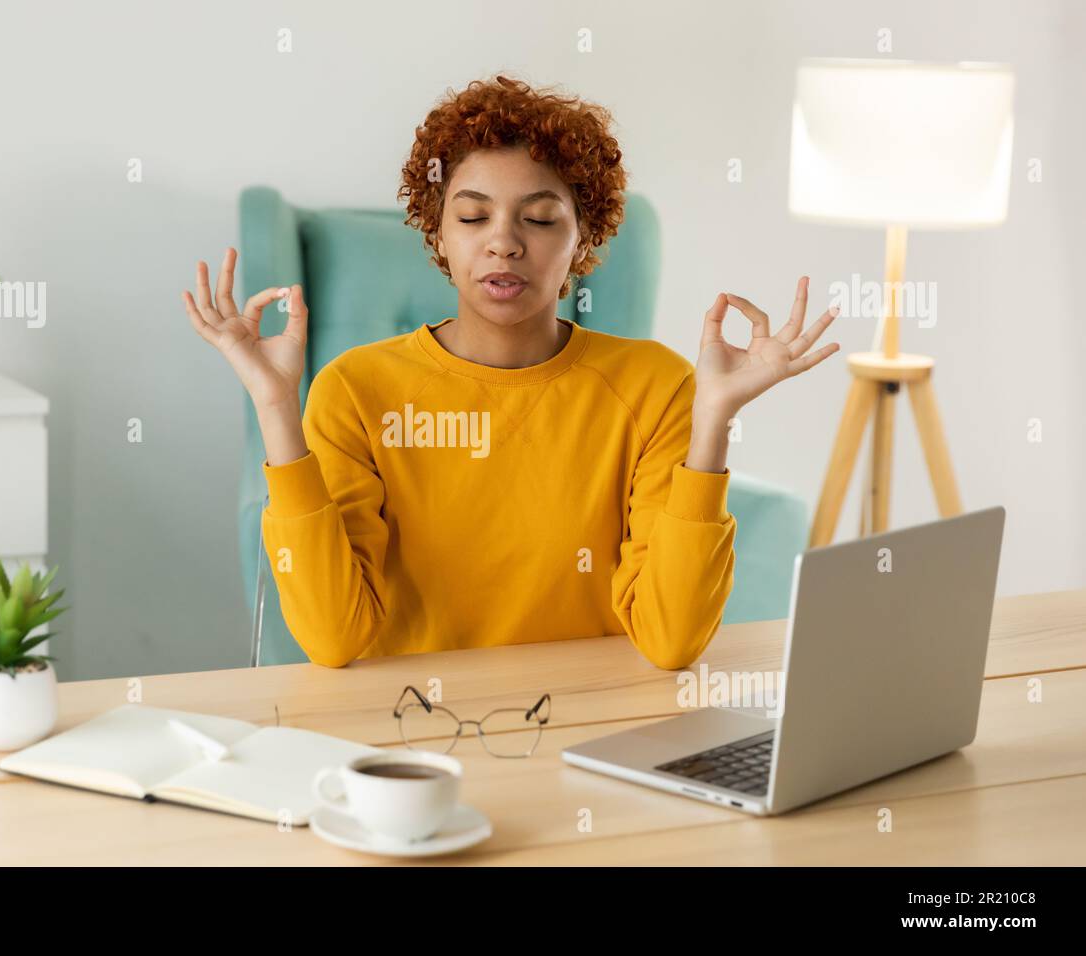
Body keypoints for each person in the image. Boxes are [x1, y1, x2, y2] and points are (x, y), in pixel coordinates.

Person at [182, 74, 838, 669]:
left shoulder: (656, 386)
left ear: (584, 240)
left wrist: (714, 420)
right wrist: (274, 403)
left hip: (594, 735)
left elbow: (670, 642)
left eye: (541, 218)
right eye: (472, 216)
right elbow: (332, 638)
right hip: (415, 740)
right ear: (437, 234)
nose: (504, 241)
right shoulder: (356, 390)